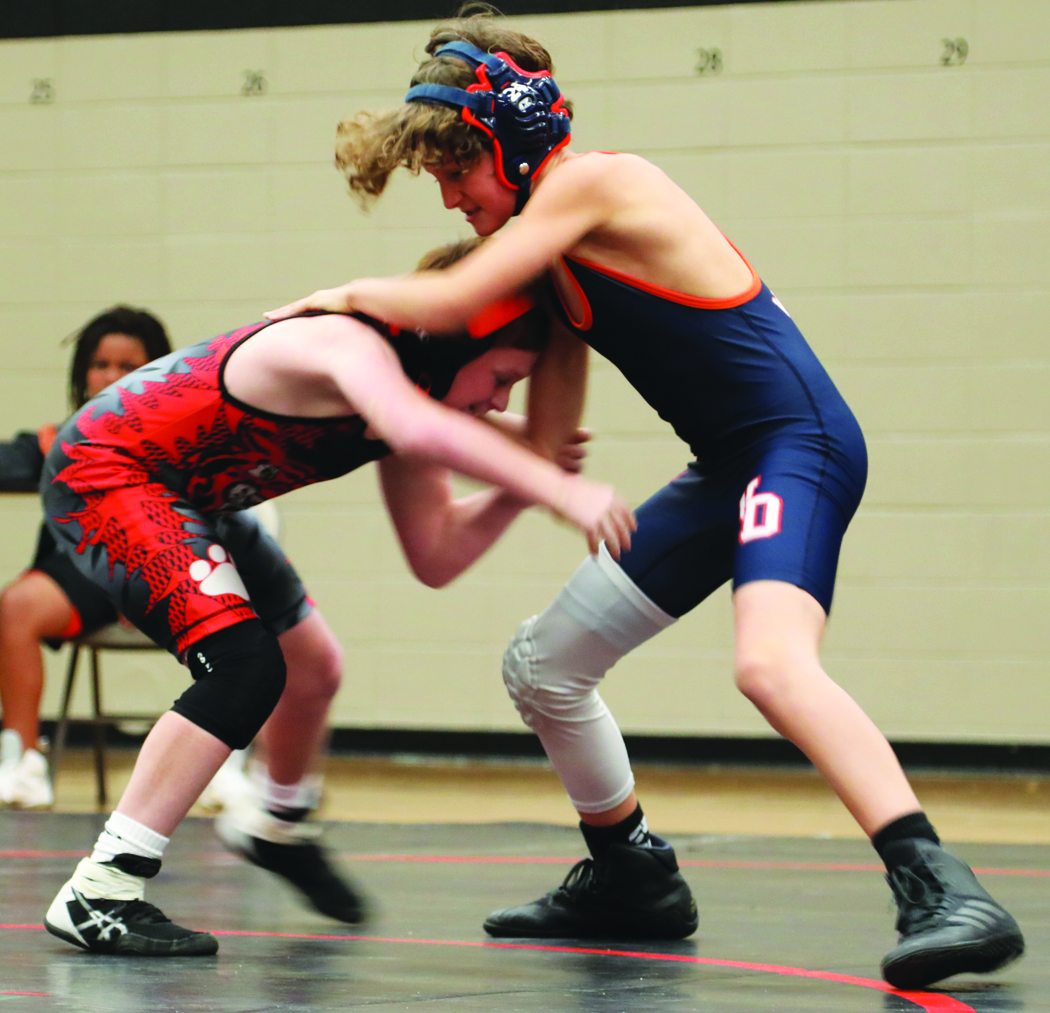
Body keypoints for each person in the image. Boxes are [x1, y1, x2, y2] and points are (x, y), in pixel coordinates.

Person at [263, 9, 1025, 990]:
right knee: (543, 664)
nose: (449, 195)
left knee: (770, 663)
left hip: (798, 447)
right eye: (437, 176)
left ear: (512, 137)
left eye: (458, 168)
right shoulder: (553, 257)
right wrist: (397, 416)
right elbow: (546, 441)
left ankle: (942, 886)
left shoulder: (596, 182)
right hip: (729, 470)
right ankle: (632, 874)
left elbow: (452, 300)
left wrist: (328, 305)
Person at [41, 240, 634, 957]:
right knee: (243, 667)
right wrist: (552, 482)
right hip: (107, 473)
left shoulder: (405, 401)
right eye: (503, 377)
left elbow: (436, 554)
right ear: (455, 340)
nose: (501, 400)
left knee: (313, 665)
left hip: (192, 496)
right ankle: (102, 886)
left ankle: (277, 824)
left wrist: (518, 485)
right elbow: (419, 426)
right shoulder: (346, 345)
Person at [0, 307, 172, 809]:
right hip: (84, 579)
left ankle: (234, 768)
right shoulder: (60, 442)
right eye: (100, 364)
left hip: (164, 578)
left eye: (127, 365)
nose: (111, 376)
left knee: (260, 607)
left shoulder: (181, 441)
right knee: (17, 605)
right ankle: (22, 761)